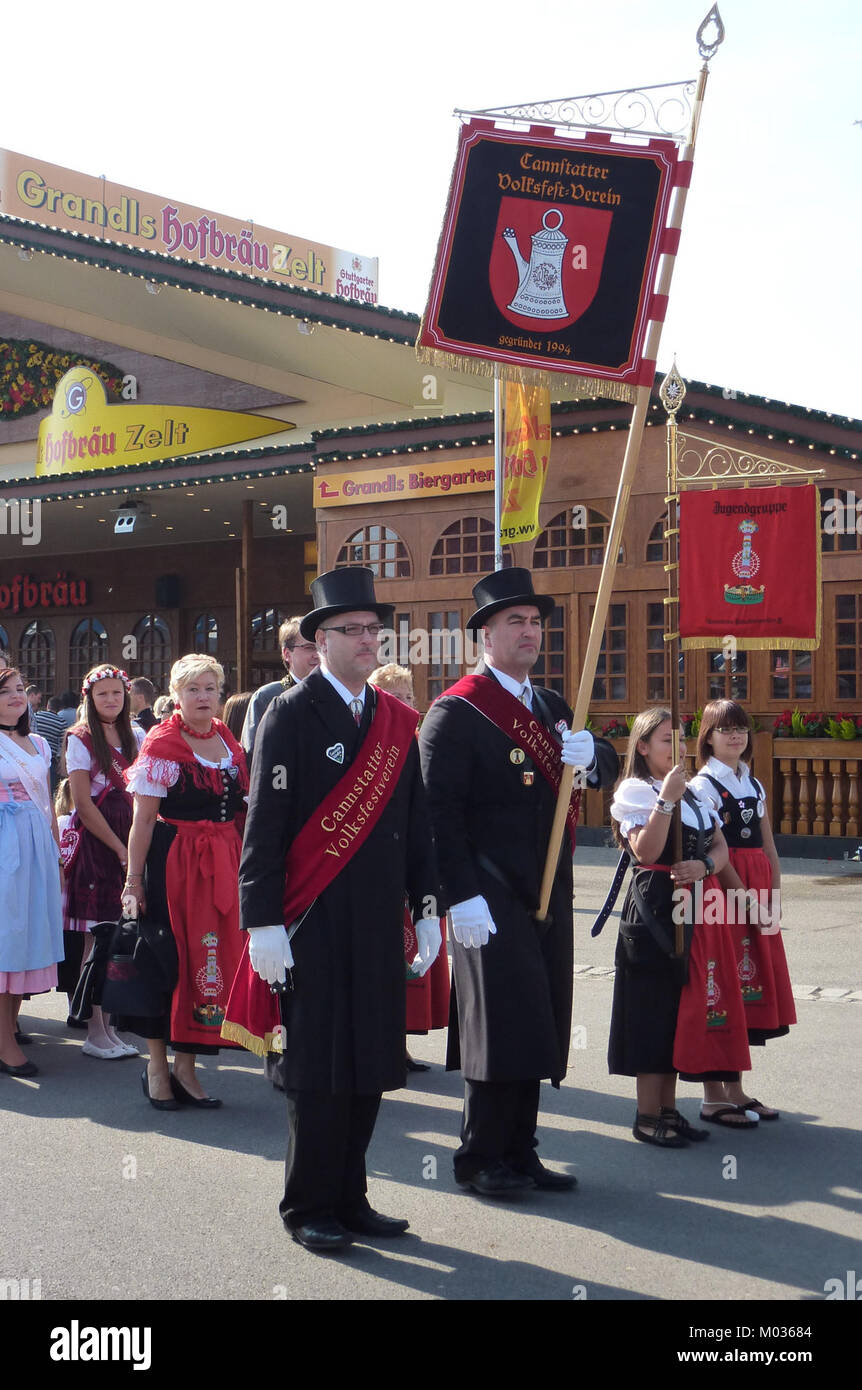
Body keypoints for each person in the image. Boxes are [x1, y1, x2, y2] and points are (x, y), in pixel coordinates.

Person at [225, 567, 441, 1252]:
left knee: (371, 1062)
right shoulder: (290, 714)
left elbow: (417, 822)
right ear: (320, 640)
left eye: (375, 629)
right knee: (317, 1071)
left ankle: (352, 1196)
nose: (369, 640)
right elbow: (265, 827)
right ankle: (308, 1204)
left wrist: (428, 907)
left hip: (378, 923)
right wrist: (261, 921)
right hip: (311, 923)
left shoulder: (395, 719)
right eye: (354, 630)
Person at [418, 568, 619, 1196]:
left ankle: (521, 1149)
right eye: (515, 622)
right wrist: (459, 896)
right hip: (488, 888)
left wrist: (594, 759)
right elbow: (436, 814)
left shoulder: (554, 706)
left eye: (535, 622)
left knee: (540, 1016)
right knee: (497, 1023)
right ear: (485, 634)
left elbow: (608, 762)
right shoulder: (456, 712)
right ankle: (479, 1157)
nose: (529, 632)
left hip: (548, 883)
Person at [607, 707, 753, 1148]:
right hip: (653, 906)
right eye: (668, 739)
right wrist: (665, 800)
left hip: (691, 907)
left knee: (675, 1006)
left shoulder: (694, 793)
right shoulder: (636, 790)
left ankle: (669, 1109)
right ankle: (647, 1114)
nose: (679, 747)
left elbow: (720, 845)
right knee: (650, 1007)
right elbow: (646, 847)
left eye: (682, 738)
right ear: (644, 746)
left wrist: (706, 864)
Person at [122, 656, 248, 1110]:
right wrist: (134, 881)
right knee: (167, 961)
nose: (202, 696)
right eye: (193, 688)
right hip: (174, 865)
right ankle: (157, 1066)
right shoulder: (162, 742)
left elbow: (241, 808)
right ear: (175, 695)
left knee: (209, 958)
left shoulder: (226, 737)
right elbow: (143, 821)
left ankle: (187, 1067)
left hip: (222, 862)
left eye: (210, 688)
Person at [688, 699, 795, 1123]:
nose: (735, 736)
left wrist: (773, 893)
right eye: (724, 728)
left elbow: (767, 844)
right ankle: (713, 1095)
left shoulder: (754, 783)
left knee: (748, 985)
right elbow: (713, 849)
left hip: (755, 884)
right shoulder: (703, 786)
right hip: (723, 887)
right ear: (708, 737)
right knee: (723, 979)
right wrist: (744, 897)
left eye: (741, 728)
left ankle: (736, 1089)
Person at [370, 662, 450, 1073]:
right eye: (396, 697)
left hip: (415, 860)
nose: (407, 704)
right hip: (382, 863)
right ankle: (380, 1043)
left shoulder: (418, 741)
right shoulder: (372, 742)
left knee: (412, 953)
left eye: (409, 697)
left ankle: (399, 1043)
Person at [64, 665, 145, 1059]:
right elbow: (82, 804)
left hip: (129, 837)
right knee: (96, 939)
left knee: (120, 939)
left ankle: (110, 1027)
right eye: (102, 694)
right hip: (99, 845)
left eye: (117, 693)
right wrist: (119, 847)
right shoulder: (80, 739)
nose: (110, 700)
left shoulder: (137, 735)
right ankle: (94, 1030)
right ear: (89, 699)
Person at [0, 668, 63, 1077]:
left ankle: (8, 1028)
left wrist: (57, 851)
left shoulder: (39, 742)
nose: (15, 696)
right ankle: (5, 1042)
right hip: (5, 849)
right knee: (6, 938)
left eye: (20, 689)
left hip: (37, 846)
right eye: (5, 691)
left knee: (26, 940)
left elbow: (49, 805)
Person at [240, 616, 321, 756]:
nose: (317, 655)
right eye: (309, 648)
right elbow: (253, 753)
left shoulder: (333, 692)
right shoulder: (267, 696)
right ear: (287, 654)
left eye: (321, 647)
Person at [33, 695, 66, 793]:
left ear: (48, 705)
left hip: (35, 755)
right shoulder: (61, 722)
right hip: (50, 759)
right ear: (60, 709)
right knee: (48, 789)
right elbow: (62, 744)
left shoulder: (37, 715)